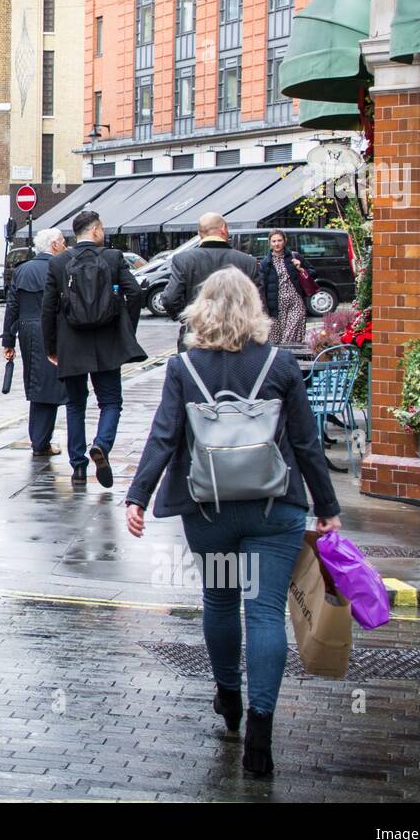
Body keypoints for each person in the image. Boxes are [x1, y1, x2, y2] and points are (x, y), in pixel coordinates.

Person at [124, 268, 342, 777]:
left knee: (220, 601)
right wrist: (327, 507)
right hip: (275, 511)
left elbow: (164, 437)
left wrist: (138, 496)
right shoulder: (281, 364)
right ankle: (260, 738)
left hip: (209, 511)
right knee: (265, 613)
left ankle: (229, 698)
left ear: (202, 310)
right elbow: (307, 445)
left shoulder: (184, 367)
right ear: (255, 310)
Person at [41, 209, 147, 488]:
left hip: (71, 343)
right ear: (96, 231)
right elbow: (135, 293)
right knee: (110, 401)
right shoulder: (112, 258)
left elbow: (48, 308)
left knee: (75, 404)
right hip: (107, 343)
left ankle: (78, 467)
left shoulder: (59, 262)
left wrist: (51, 346)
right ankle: (101, 445)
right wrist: (126, 329)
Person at [2, 228, 67, 456]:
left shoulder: (22, 270)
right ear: (55, 245)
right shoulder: (60, 268)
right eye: (63, 242)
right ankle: (41, 442)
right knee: (52, 386)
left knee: (37, 384)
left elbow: (12, 306)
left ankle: (39, 439)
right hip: (54, 330)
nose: (65, 246)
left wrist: (8, 341)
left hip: (27, 332)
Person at [161, 213, 260, 351]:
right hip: (238, 340)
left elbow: (170, 299)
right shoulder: (248, 262)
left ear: (199, 233)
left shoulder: (183, 260)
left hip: (196, 337)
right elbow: (258, 304)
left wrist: (190, 319)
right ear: (224, 229)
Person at [259, 229, 315, 345]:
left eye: (279, 240)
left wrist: (300, 269)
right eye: (274, 241)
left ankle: (291, 359)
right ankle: (278, 362)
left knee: (290, 339)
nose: (277, 243)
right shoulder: (266, 262)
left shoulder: (295, 256)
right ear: (270, 243)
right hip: (275, 306)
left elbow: (313, 272)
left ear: (285, 241)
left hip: (295, 302)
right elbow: (261, 285)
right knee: (274, 340)